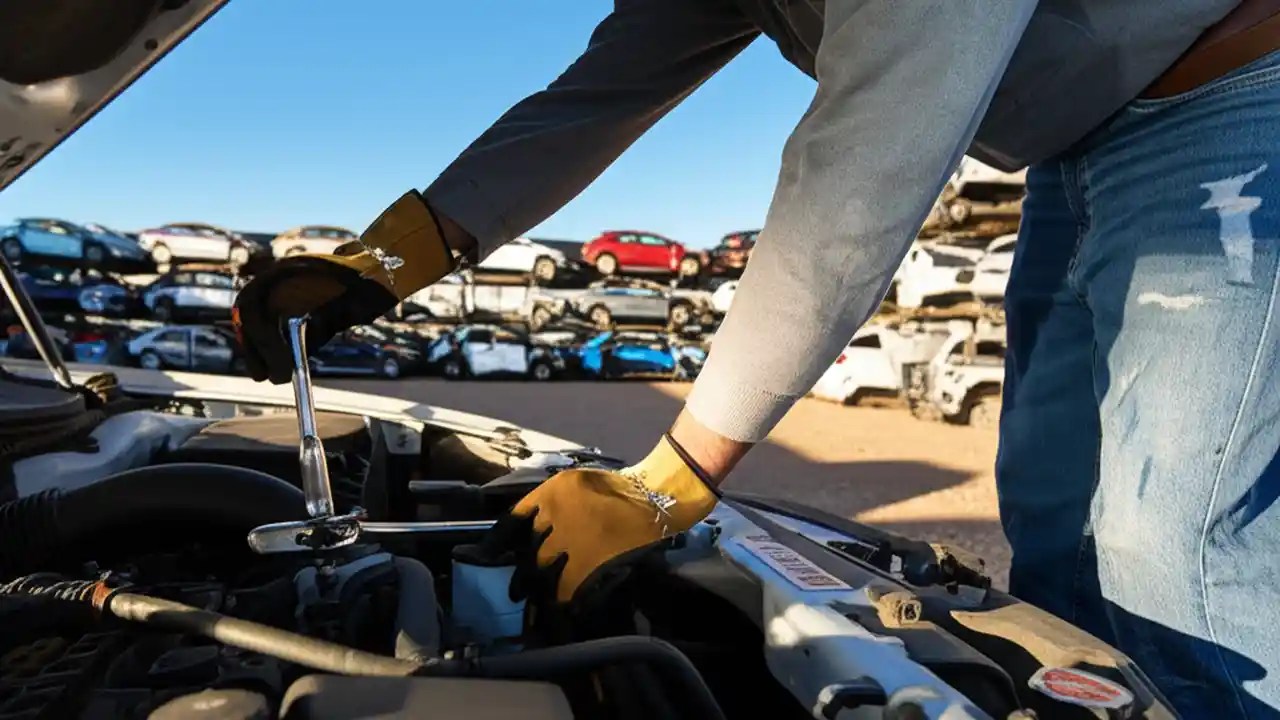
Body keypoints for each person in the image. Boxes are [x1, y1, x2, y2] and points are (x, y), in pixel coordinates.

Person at [232, 1, 1280, 715]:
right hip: (1076, 146)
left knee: (1173, 541)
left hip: (1232, 97)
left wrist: (670, 478)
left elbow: (867, 161)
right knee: (1055, 525)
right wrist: (378, 263)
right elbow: (595, 97)